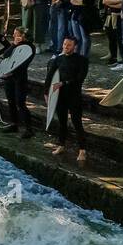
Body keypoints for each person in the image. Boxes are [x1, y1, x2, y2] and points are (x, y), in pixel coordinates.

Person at [46, 35, 89, 163]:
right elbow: (50, 76)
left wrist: (63, 83)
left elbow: (80, 79)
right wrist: (46, 92)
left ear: (75, 46)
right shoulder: (58, 59)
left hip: (74, 95)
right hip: (60, 96)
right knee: (62, 122)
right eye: (64, 44)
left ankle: (82, 150)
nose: (65, 47)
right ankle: (61, 145)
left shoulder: (82, 60)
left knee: (77, 122)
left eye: (69, 45)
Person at [0, 26, 34, 138]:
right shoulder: (15, 45)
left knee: (20, 103)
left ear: (23, 36)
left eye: (16, 34)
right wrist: (14, 44)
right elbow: (6, 55)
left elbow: (24, 63)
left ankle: (29, 129)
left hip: (20, 78)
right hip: (9, 78)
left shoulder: (30, 47)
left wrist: (12, 72)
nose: (13, 36)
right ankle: (14, 124)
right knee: (11, 101)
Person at [101, 0, 123, 68]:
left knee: (119, 38)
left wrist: (110, 3)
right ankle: (112, 55)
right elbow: (104, 1)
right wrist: (117, 2)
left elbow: (122, 5)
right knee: (110, 37)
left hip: (119, 17)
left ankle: (120, 59)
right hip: (109, 17)